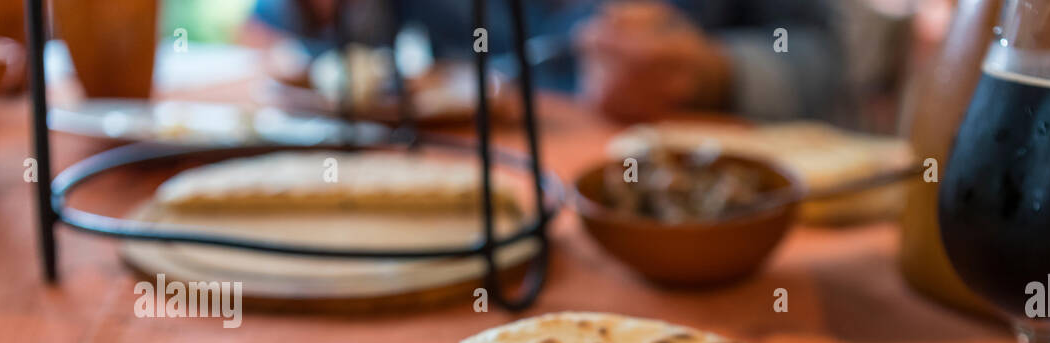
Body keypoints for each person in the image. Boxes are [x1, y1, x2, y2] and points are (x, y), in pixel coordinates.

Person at [247, 0, 849, 123]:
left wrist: (716, 71)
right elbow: (272, 30)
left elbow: (835, 62)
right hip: (457, 190)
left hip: (671, 228)